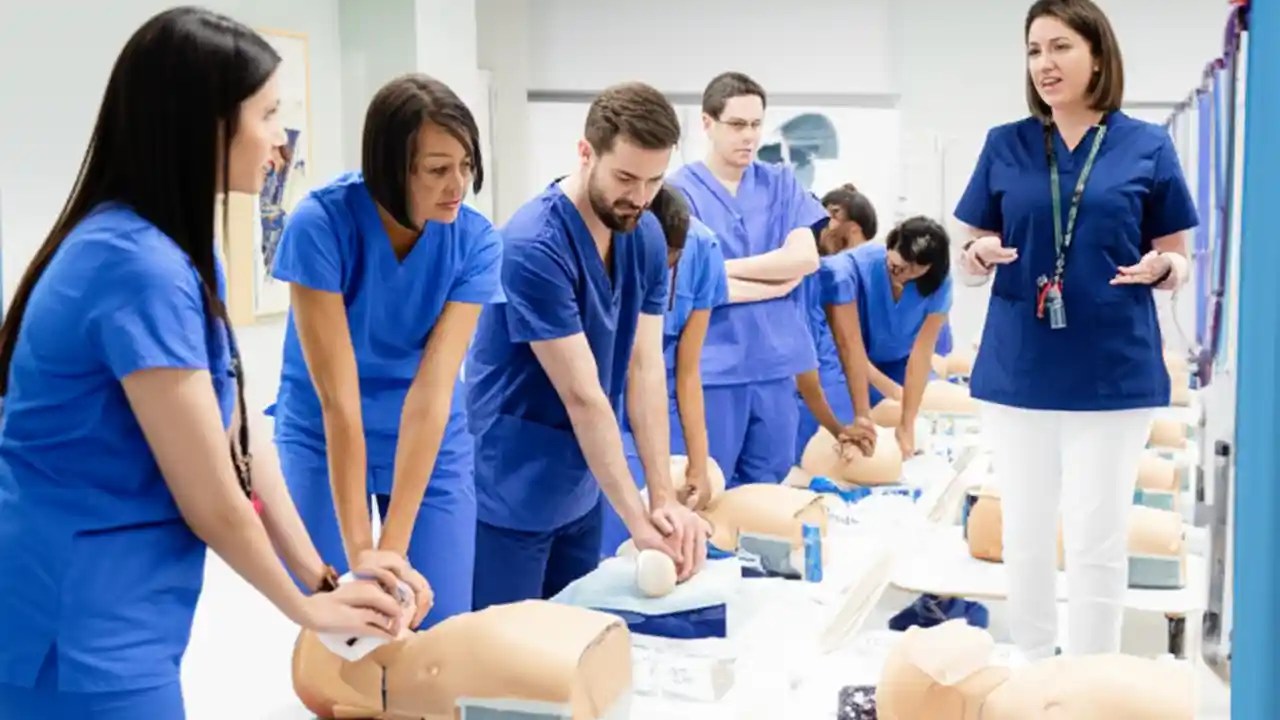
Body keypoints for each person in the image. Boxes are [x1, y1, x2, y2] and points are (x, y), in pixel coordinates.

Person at [0, 9, 413, 718]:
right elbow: (213, 500)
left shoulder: (184, 256)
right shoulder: (133, 267)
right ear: (205, 127)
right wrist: (310, 614)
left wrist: (323, 580)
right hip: (71, 622)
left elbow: (243, 439)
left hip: (122, 612)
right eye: (268, 114)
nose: (280, 139)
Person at [955, 0, 1196, 659]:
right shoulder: (1005, 142)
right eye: (1034, 50)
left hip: (1113, 367)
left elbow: (1177, 255)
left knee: (1097, 537)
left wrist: (1164, 265)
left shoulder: (1146, 144)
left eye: (1059, 47)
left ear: (1097, 54)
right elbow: (975, 246)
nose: (1044, 64)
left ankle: (1091, 678)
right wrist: (974, 256)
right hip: (1019, 367)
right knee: (1026, 534)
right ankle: (1035, 672)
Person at [268, 74, 501, 630]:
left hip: (426, 431)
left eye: (466, 165)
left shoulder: (476, 241)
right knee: (334, 623)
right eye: (438, 169)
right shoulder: (321, 224)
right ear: (391, 167)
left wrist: (388, 553)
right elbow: (337, 399)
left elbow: (434, 388)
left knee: (437, 624)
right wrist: (360, 554)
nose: (458, 185)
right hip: (321, 431)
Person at [466, 82, 710, 609]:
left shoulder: (642, 232)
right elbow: (583, 395)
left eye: (653, 180)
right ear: (585, 153)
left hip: (584, 478)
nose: (640, 197)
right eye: (625, 177)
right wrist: (637, 521)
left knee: (573, 636)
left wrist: (660, 499)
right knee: (509, 654)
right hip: (512, 479)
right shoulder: (534, 245)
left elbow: (645, 367)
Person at [666, 72, 832, 488]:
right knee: (709, 487)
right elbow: (682, 282)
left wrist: (716, 271)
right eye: (737, 125)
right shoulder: (677, 193)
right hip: (713, 369)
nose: (749, 137)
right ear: (707, 123)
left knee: (768, 487)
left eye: (756, 125)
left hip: (776, 365)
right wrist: (775, 278)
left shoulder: (779, 183)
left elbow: (805, 258)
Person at [598, 185, 729, 557]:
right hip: (603, 394)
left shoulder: (704, 250)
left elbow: (688, 370)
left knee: (672, 514)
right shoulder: (606, 243)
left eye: (671, 263)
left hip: (658, 395)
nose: (663, 271)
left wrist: (699, 464)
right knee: (618, 523)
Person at [818, 217, 953, 456]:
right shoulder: (854, 269)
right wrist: (887, 392)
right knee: (850, 437)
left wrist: (907, 423)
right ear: (889, 249)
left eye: (916, 270)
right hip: (846, 363)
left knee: (926, 410)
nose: (903, 275)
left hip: (897, 362)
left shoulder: (938, 285)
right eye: (897, 267)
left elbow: (921, 355)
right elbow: (849, 347)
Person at [794, 184, 881, 460]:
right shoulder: (794, 272)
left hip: (828, 390)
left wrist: (861, 417)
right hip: (796, 394)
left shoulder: (835, 272)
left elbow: (849, 343)